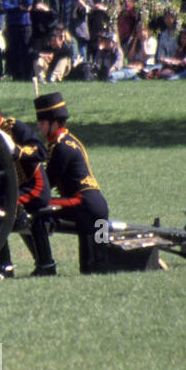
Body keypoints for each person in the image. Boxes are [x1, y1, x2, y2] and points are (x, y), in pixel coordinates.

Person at [0, 82, 57, 277]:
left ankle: (5, 265)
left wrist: (17, 151)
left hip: (33, 187)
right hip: (10, 190)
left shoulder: (13, 127)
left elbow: (40, 150)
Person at [35, 92, 111, 274]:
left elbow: (47, 184)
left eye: (42, 123)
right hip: (98, 206)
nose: (39, 126)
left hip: (83, 203)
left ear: (54, 123)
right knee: (91, 267)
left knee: (36, 211)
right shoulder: (68, 141)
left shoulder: (61, 147)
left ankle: (45, 265)